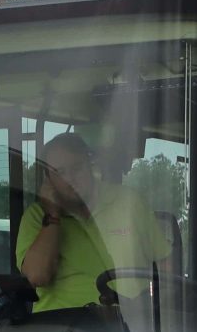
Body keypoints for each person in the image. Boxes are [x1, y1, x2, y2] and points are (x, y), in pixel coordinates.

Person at [15, 132, 170, 317]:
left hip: (133, 328)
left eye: (77, 168)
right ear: (48, 179)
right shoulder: (36, 217)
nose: (70, 178)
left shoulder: (129, 202)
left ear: (91, 165)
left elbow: (166, 262)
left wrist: (164, 310)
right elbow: (36, 276)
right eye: (59, 172)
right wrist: (53, 216)